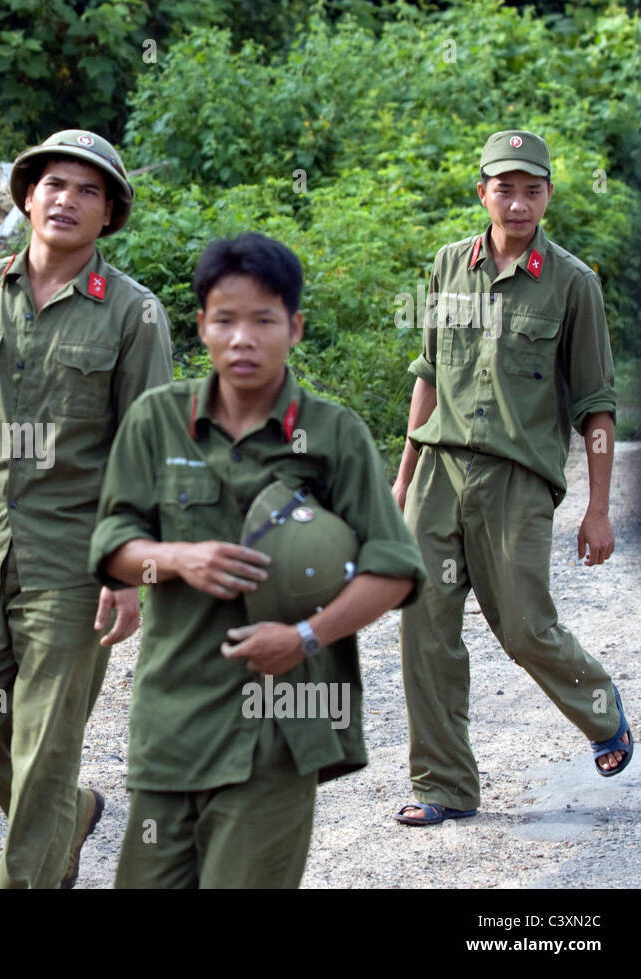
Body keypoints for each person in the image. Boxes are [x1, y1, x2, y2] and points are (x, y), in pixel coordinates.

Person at [89, 232, 424, 887]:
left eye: (264, 320)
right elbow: (113, 551)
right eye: (225, 319)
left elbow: (395, 569)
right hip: (172, 726)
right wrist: (176, 559)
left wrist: (305, 636)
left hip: (277, 732)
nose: (243, 337)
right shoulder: (156, 421)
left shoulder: (332, 434)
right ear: (201, 328)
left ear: (294, 328)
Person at [0, 130, 174, 888]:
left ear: (109, 213)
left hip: (77, 568)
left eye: (89, 190)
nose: (68, 199)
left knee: (44, 749)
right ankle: (69, 814)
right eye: (55, 183)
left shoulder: (134, 315)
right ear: (26, 195)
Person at [393, 130, 632, 827]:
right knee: (422, 623)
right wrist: (403, 478)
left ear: (550, 194)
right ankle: (443, 784)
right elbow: (429, 375)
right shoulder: (447, 265)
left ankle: (602, 712)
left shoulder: (574, 283)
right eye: (505, 186)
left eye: (532, 188)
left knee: (526, 627)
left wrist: (597, 508)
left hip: (518, 481)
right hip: (439, 470)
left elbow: (596, 403)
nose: (518, 201)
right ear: (483, 192)